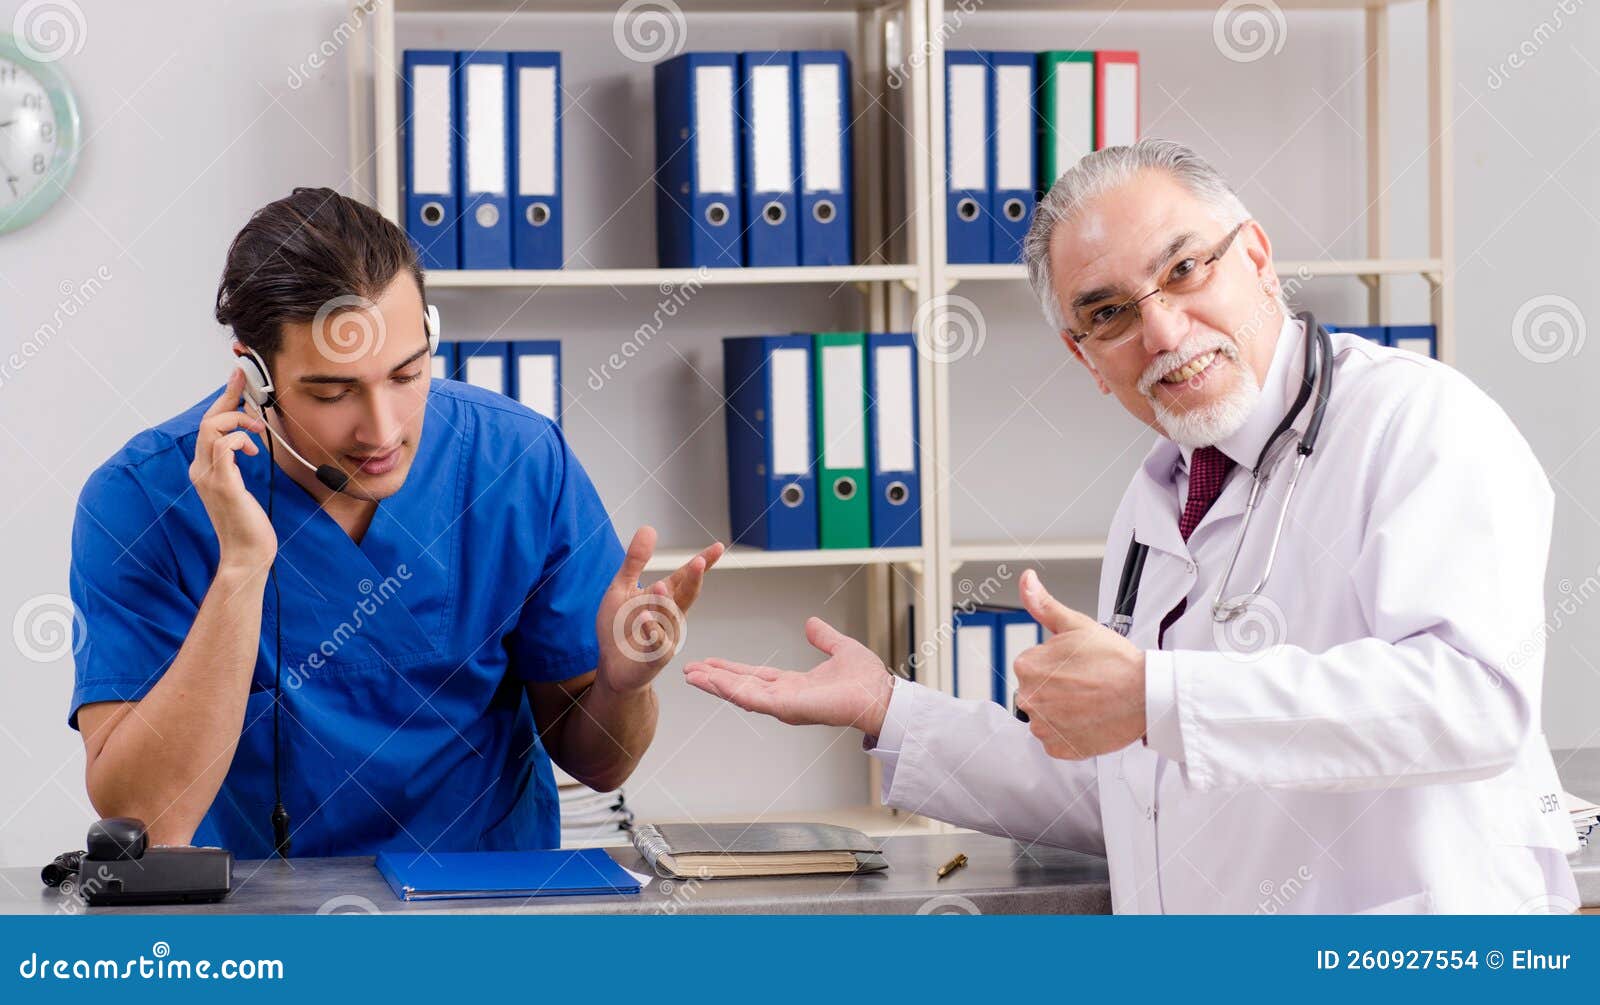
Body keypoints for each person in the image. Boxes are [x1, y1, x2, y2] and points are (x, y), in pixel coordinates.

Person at [685, 139, 1580, 913]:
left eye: (1185, 269)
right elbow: (1136, 791)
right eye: (1108, 312)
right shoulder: (1160, 501)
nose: (1161, 328)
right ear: (1084, 356)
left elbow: (1475, 703)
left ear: (1258, 257)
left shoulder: (1418, 424)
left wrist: (1157, 695)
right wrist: (890, 708)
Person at [69, 187, 721, 858]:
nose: (382, 430)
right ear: (256, 376)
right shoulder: (139, 501)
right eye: (333, 391)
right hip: (258, 912)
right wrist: (240, 570)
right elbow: (145, 817)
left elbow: (602, 766)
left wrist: (622, 687)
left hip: (489, 900)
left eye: (407, 374)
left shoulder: (516, 462)